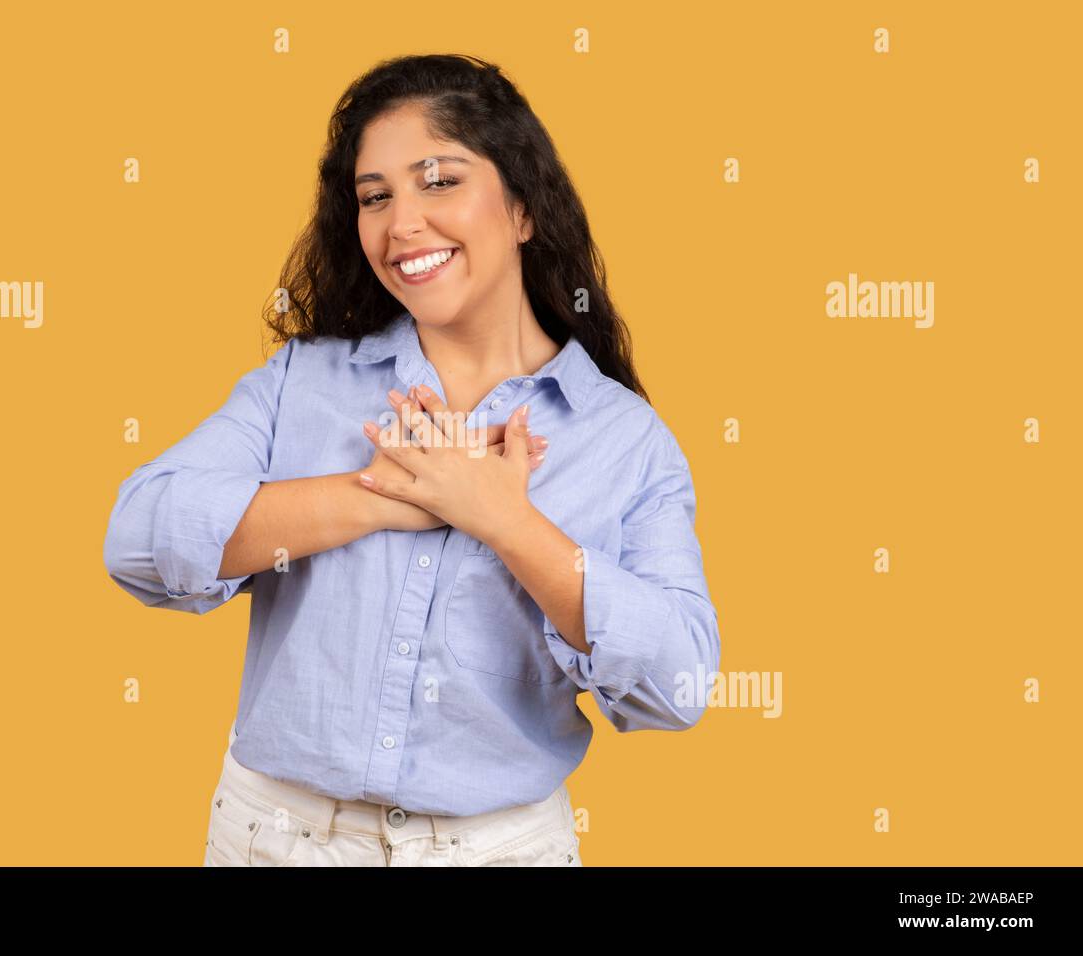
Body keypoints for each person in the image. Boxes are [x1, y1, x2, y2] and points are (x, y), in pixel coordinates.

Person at [102, 53, 720, 867]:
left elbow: (679, 683)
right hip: (276, 842)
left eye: (439, 180)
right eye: (376, 197)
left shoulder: (625, 439)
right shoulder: (302, 382)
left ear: (524, 206)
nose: (402, 225)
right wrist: (386, 495)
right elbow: (139, 541)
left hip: (499, 850)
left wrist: (505, 520)